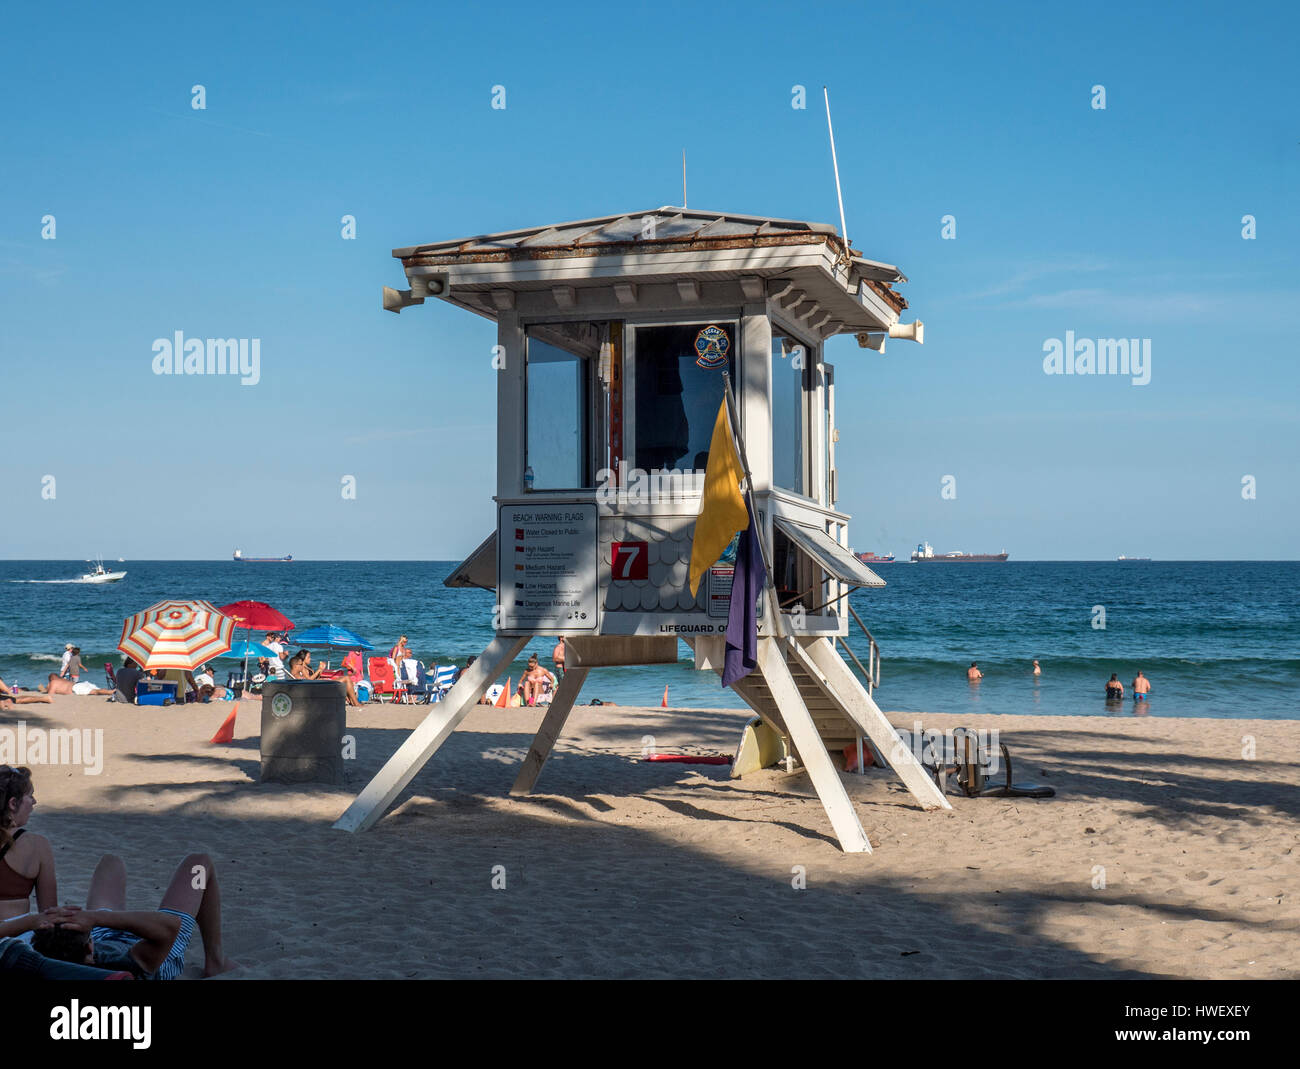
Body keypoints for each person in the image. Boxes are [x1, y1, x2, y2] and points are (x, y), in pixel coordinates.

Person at [31, 852, 236, 980]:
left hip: (104, 938)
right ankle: (215, 960)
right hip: (160, 948)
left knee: (110, 862)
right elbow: (169, 926)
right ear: (89, 946)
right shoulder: (129, 966)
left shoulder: (44, 964)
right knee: (199, 865)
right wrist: (94, 918)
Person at [0, 766, 57, 926]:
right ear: (13, 803)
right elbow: (50, 914)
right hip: (14, 943)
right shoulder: (36, 845)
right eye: (30, 796)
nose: (34, 802)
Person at [40, 674, 114, 696]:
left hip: (76, 688)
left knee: (95, 692)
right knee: (98, 690)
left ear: (50, 680)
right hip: (82, 683)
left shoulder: (53, 682)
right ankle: (110, 691)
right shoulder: (63, 680)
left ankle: (111, 692)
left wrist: (46, 689)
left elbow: (51, 694)